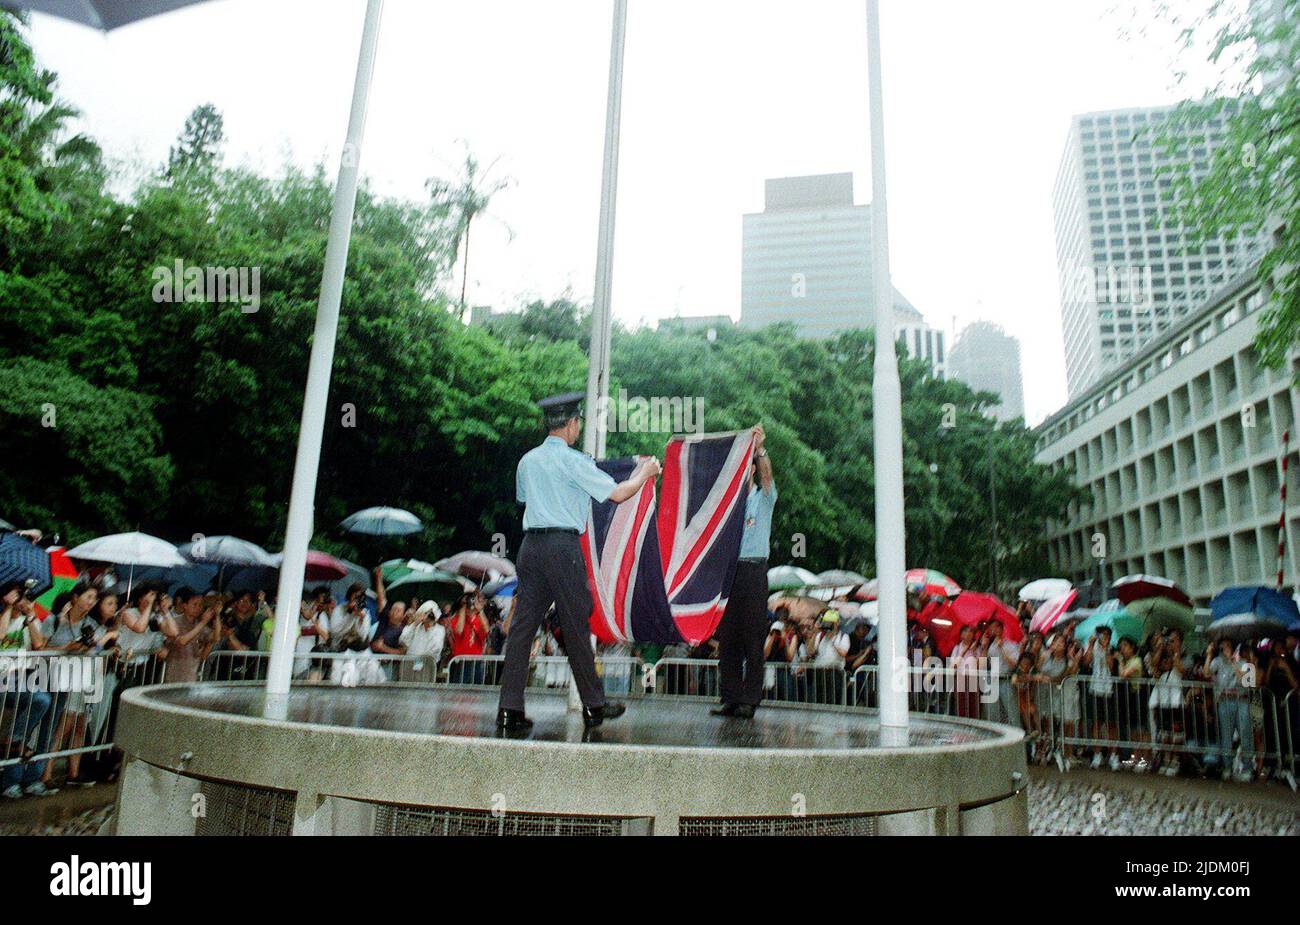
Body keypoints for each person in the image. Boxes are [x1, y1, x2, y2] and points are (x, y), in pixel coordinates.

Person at [496, 391, 660, 733]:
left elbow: (525, 498)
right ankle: (594, 706)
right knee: (575, 626)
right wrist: (645, 472)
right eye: (578, 423)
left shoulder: (527, 460)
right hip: (561, 547)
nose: (578, 428)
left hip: (530, 547)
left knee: (523, 627)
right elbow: (617, 493)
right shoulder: (574, 462)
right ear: (571, 424)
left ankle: (510, 709)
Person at [714, 424, 775, 719]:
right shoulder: (728, 505)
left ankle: (750, 699)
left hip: (753, 570)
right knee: (728, 638)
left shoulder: (763, 499)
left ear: (749, 471)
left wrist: (760, 449)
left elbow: (767, 477)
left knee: (752, 637)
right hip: (730, 572)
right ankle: (731, 696)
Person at [1205, 638, 1254, 781]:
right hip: (1225, 701)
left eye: (1227, 646)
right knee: (1226, 735)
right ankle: (1227, 767)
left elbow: (1246, 682)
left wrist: (1233, 662)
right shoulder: (1218, 662)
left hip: (1242, 700)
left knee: (1245, 733)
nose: (1224, 650)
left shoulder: (1244, 663)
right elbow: (1207, 672)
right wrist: (1209, 655)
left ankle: (1247, 768)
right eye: (1222, 647)